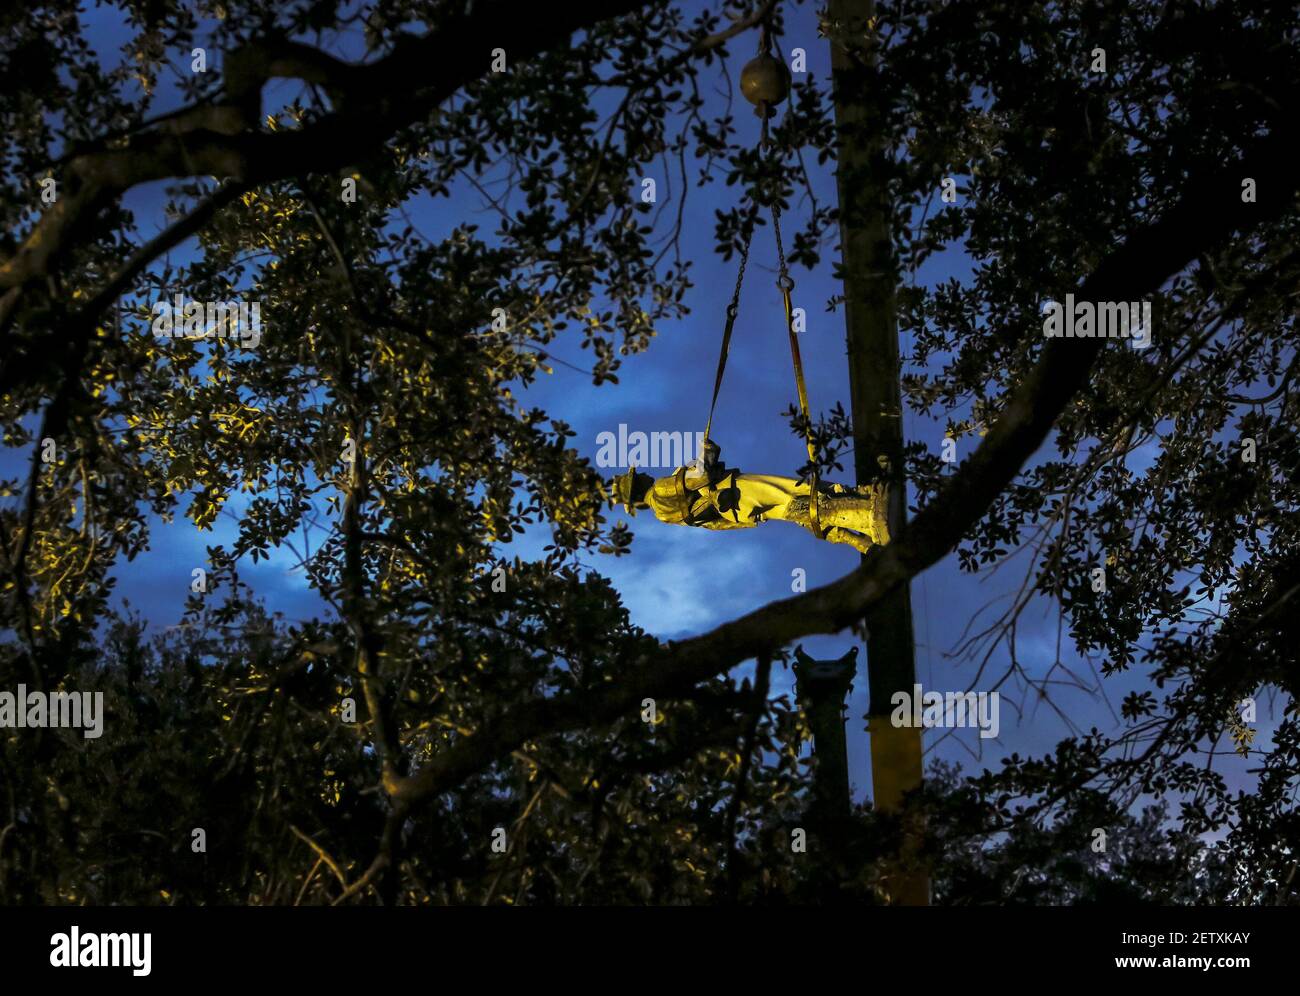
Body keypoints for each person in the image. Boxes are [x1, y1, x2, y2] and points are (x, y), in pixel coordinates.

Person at [610, 440, 889, 554]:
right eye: (638, 477)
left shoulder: (661, 514)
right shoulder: (660, 489)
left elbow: (710, 523)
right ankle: (864, 510)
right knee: (794, 492)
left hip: (735, 509)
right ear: (638, 486)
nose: (644, 473)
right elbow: (702, 478)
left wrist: (743, 522)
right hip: (736, 494)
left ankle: (861, 537)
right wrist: (708, 452)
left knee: (794, 510)